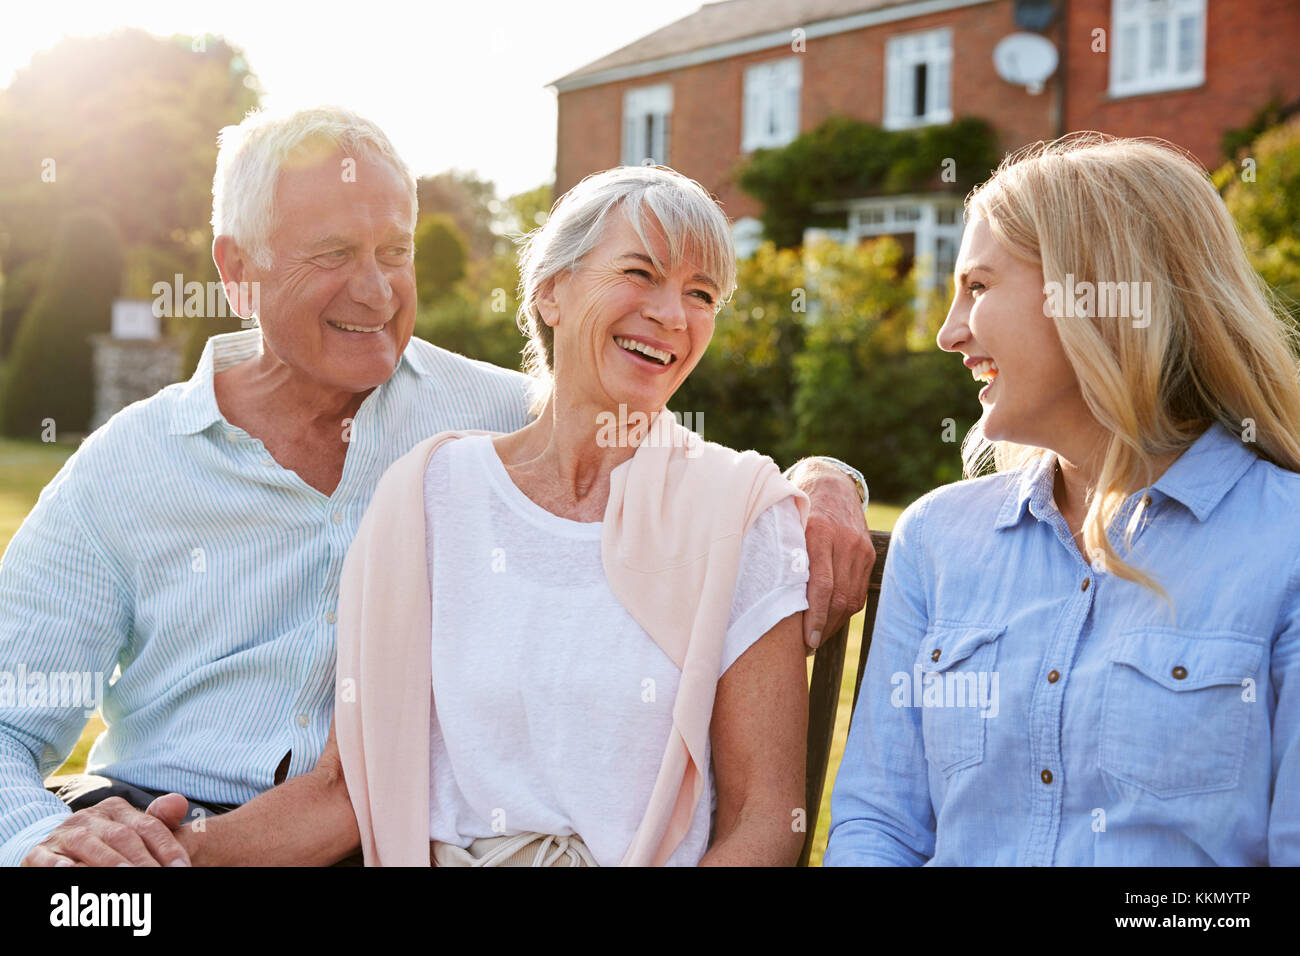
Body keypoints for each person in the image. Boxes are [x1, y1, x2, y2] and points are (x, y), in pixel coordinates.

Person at [7, 108, 874, 867]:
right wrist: (47, 840)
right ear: (237, 271)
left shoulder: (488, 421)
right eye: (333, 255)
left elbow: (640, 429)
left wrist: (824, 478)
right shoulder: (127, 467)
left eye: (395, 252)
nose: (377, 290)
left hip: (363, 838)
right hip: (157, 827)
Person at [825, 134, 1300, 866]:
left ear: (1095, 295)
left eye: (979, 287)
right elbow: (879, 826)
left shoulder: (1284, 543)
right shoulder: (937, 538)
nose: (949, 333)